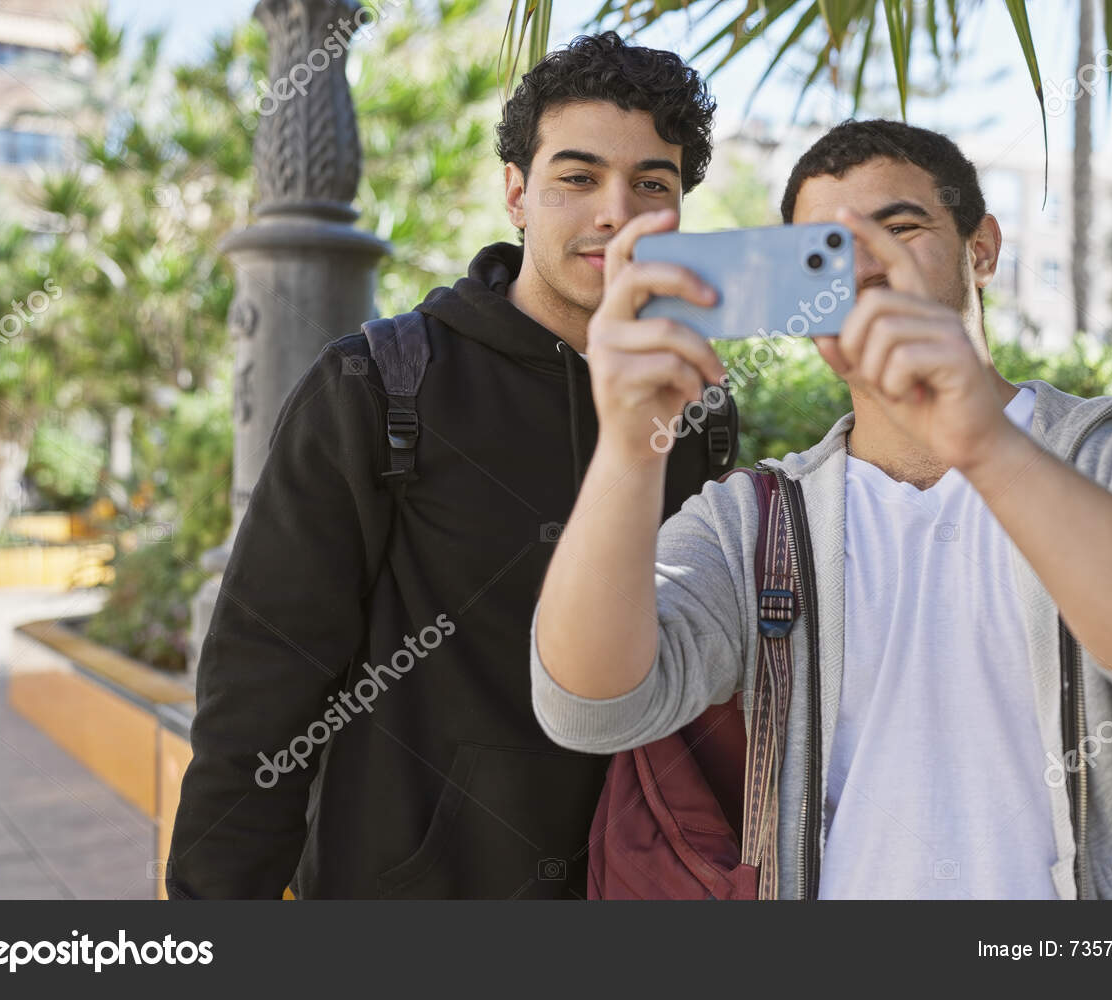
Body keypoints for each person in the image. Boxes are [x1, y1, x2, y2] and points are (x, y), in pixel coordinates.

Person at [529, 119, 1112, 899]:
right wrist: (630, 449)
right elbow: (593, 709)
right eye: (826, 253)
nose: (864, 268)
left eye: (899, 228)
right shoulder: (757, 521)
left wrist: (983, 439)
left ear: (982, 249)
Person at [168, 32, 734, 900]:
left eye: (651, 184)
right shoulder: (379, 383)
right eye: (577, 178)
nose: (616, 213)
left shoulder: (696, 403)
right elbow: (260, 689)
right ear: (517, 192)